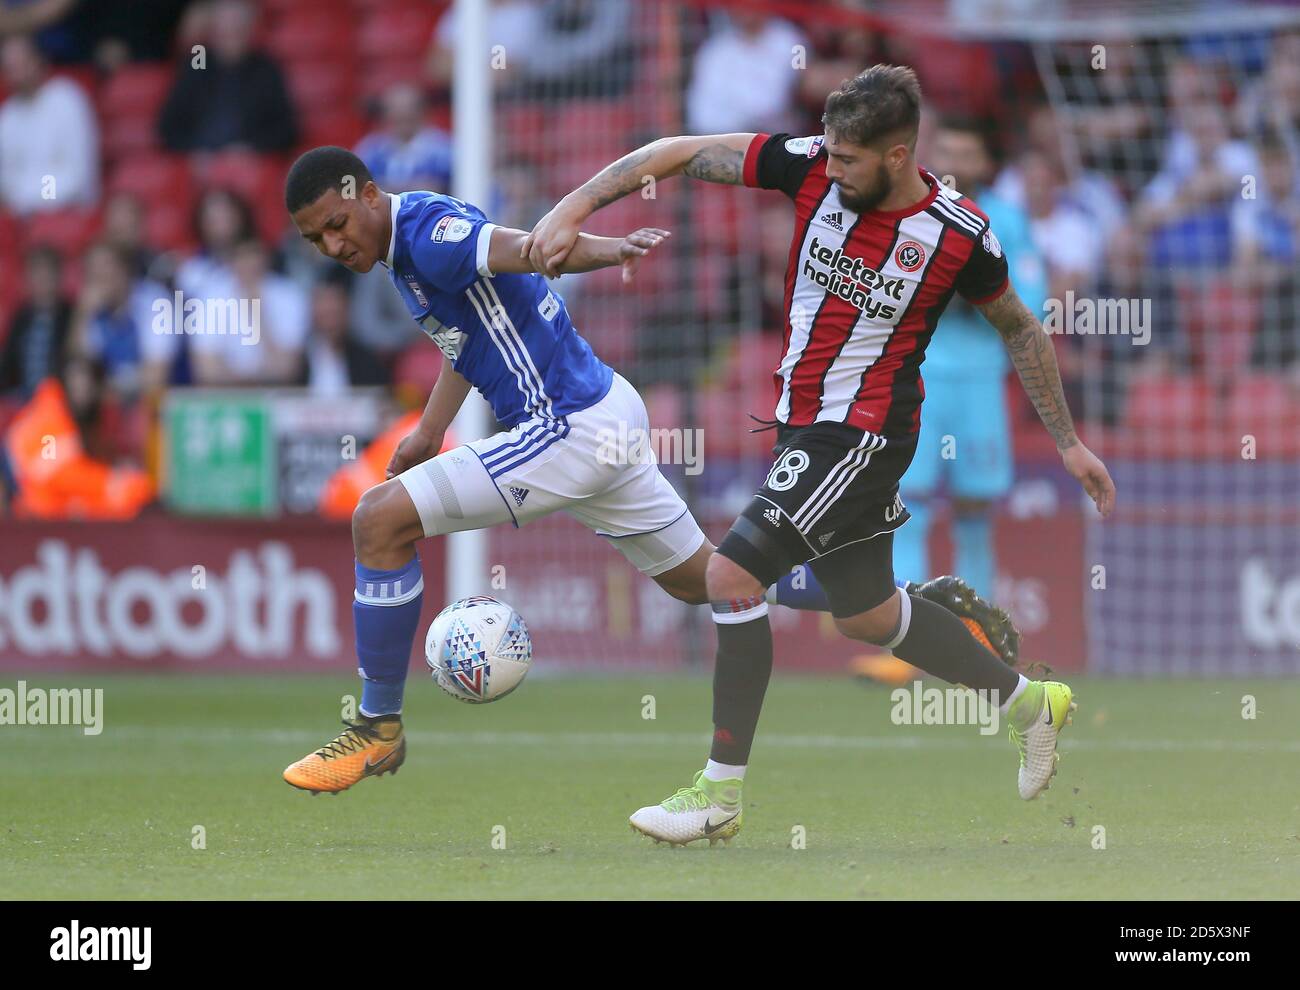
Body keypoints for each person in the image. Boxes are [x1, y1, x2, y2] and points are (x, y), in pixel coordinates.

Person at [278, 147, 1017, 798]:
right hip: (606, 414)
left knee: (376, 520)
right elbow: (465, 334)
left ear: (365, 193)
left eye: (337, 223)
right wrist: (430, 431)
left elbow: (529, 249)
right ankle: (908, 604)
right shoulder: (406, 251)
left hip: (564, 426)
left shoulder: (426, 234)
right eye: (316, 239)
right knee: (705, 579)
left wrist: (600, 250)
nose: (332, 244)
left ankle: (377, 725)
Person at [527, 64, 1116, 845]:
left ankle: (719, 795)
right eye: (829, 154)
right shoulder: (808, 165)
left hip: (863, 430)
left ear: (899, 155)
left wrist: (1069, 442)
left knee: (730, 578)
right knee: (869, 616)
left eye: (849, 160)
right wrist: (571, 208)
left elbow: (1019, 325)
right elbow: (675, 151)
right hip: (805, 421)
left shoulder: (957, 233)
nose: (830, 170)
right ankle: (1027, 702)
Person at [893, 116, 1047, 601]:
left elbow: (1032, 304)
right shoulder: (910, 213)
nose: (957, 163)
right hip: (921, 378)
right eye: (949, 152)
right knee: (907, 504)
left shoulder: (1007, 220)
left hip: (980, 380)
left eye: (968, 154)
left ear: (985, 162)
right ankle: (907, 636)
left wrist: (977, 297)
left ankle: (977, 634)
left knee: (975, 510)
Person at [0, 32, 98, 213]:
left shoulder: (66, 99)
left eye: (20, 63)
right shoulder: (7, 115)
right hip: (21, 218)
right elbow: (6, 179)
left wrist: (37, 199)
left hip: (69, 215)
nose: (15, 73)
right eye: (8, 67)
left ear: (39, 61)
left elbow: (74, 174)